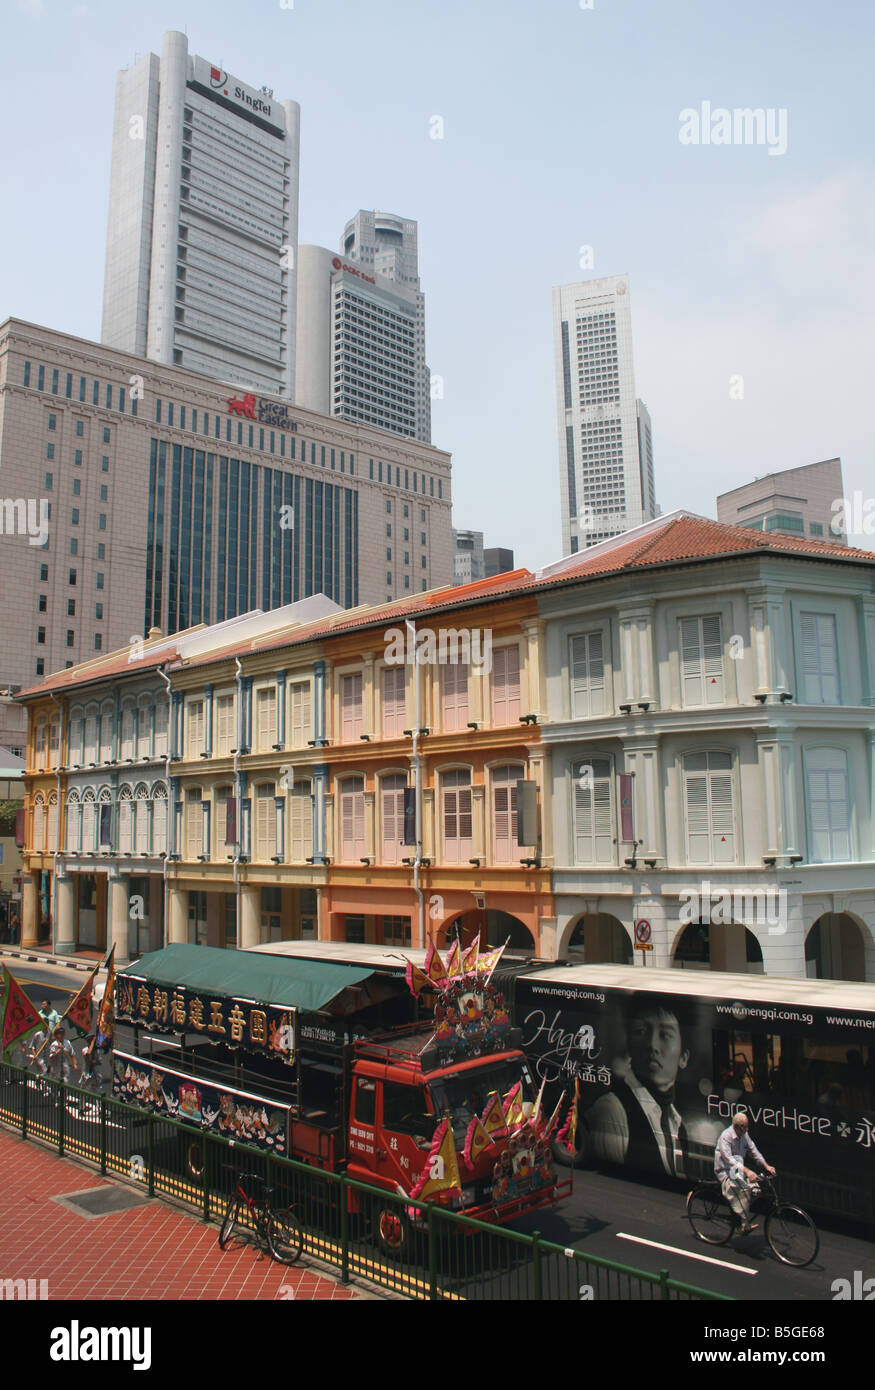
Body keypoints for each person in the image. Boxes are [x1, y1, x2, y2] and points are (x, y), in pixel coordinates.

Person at [583, 995, 690, 1177]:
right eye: (640, 1031)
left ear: (683, 1057)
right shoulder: (613, 1110)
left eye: (665, 1035)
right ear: (629, 1045)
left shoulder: (678, 1124)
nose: (652, 1045)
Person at [714, 1111, 776, 1235]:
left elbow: (754, 1150)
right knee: (743, 1189)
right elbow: (729, 1159)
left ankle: (740, 1210)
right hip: (726, 1172)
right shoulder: (725, 1137)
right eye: (744, 1127)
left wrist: (766, 1165)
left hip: (738, 1170)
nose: (747, 1129)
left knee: (756, 1188)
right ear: (736, 1126)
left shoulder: (744, 1134)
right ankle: (744, 1224)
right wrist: (747, 1171)